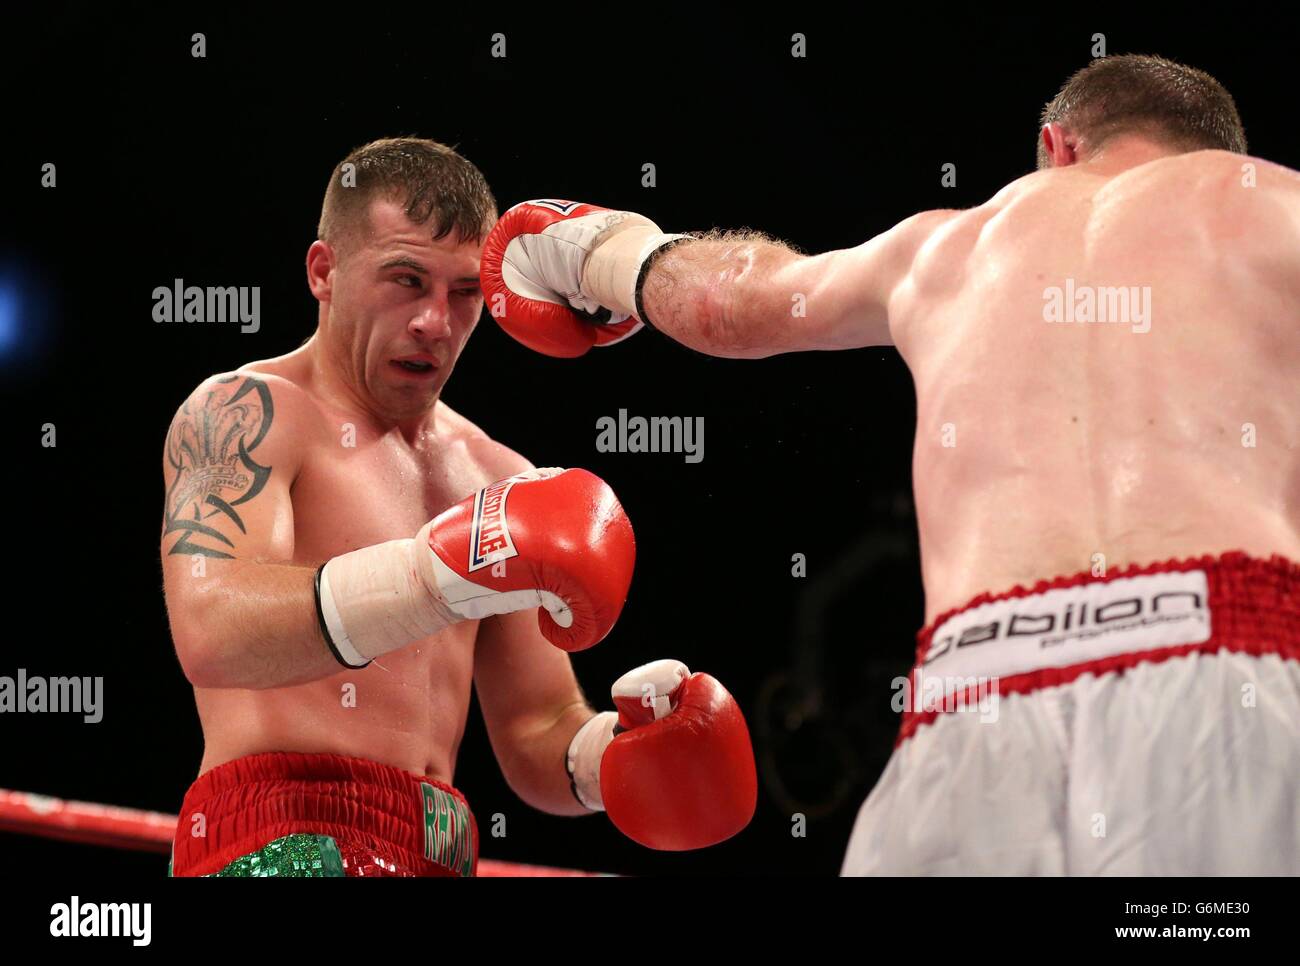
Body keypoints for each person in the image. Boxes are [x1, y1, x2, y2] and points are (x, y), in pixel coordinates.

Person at [480, 55, 1300, 874]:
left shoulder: (946, 243)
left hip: (978, 687)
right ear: (1223, 152)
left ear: (1057, 146)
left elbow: (733, 305)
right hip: (1228, 660)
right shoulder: (1277, 206)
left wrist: (605, 255)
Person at [160, 138, 755, 877]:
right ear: (325, 272)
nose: (436, 323)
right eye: (405, 280)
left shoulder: (498, 479)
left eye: (465, 292)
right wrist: (433, 575)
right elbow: (212, 629)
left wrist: (620, 757)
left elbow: (537, 729)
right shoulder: (248, 413)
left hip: (443, 847)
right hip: (285, 833)